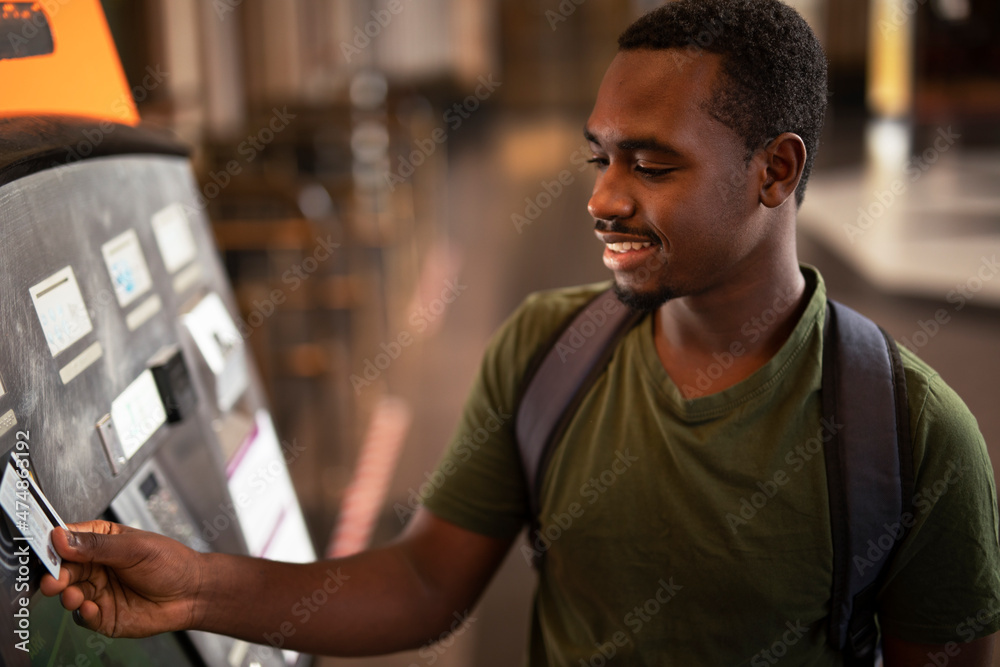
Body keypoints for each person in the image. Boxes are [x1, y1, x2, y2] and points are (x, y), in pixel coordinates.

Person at [42, 0, 1000, 664]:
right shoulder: (550, 352)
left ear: (775, 172)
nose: (602, 197)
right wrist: (198, 589)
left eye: (652, 166)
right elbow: (424, 583)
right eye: (601, 157)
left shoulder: (907, 434)